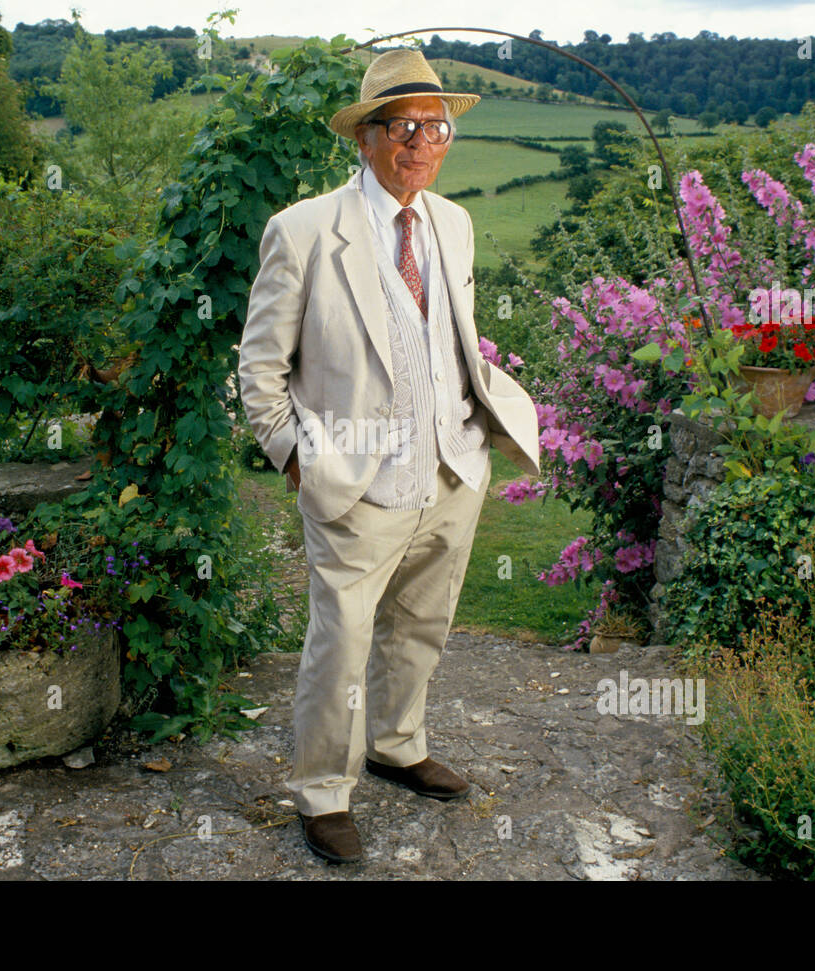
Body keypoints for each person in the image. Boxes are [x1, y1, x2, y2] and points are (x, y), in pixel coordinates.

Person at [236, 48, 539, 864]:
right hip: (353, 480)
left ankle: (398, 744)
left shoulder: (454, 223)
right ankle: (323, 790)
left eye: (435, 126)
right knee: (341, 641)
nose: (421, 142)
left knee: (422, 626)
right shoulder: (303, 231)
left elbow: (447, 341)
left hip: (453, 467)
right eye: (402, 126)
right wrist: (297, 459)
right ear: (364, 139)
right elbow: (259, 369)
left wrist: (476, 433)